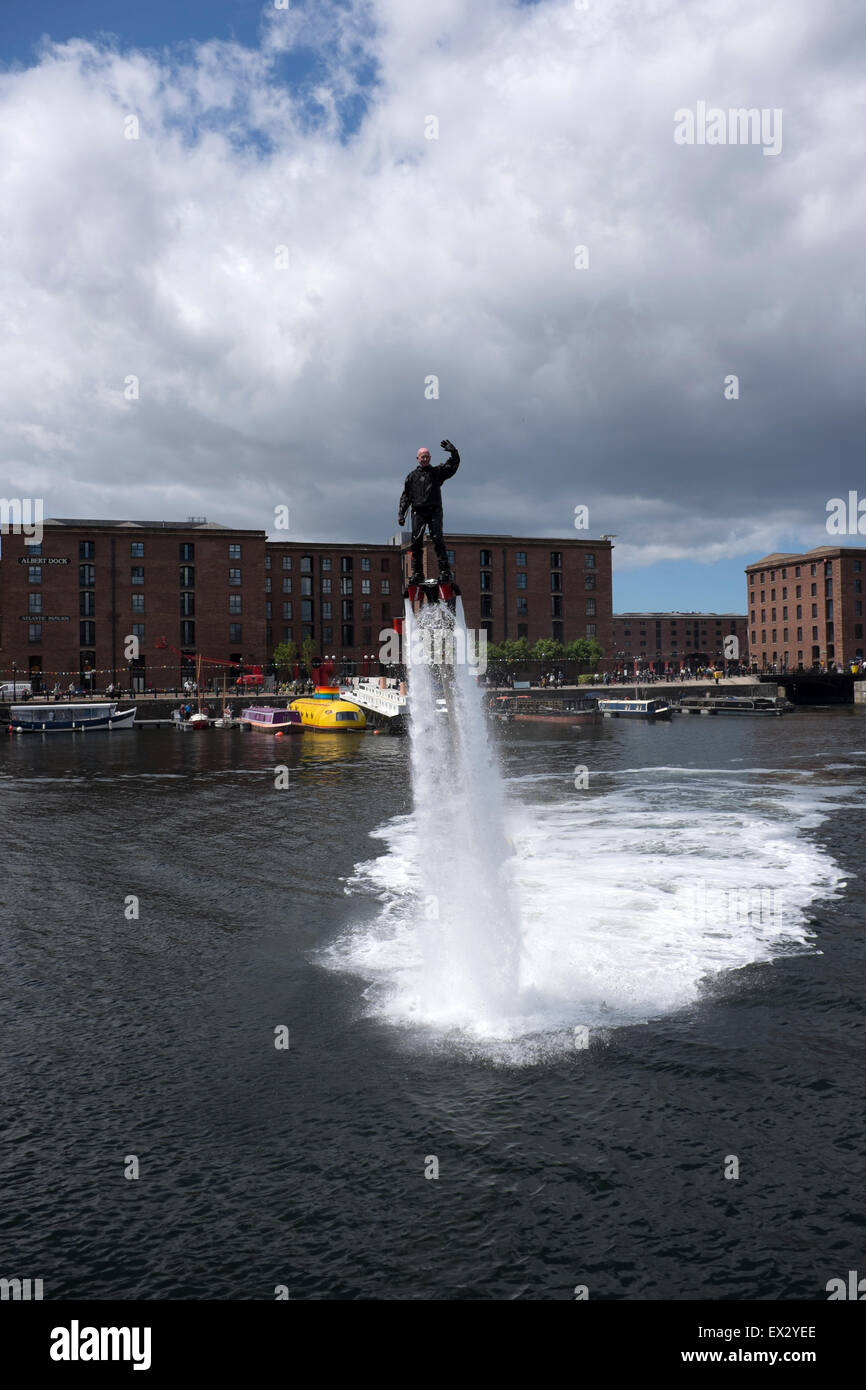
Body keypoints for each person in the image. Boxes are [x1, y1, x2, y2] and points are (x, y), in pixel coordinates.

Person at [398, 439, 460, 584]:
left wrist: (454, 452)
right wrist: (401, 513)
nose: (424, 459)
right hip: (418, 512)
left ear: (430, 458)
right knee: (416, 542)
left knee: (437, 538)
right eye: (422, 456)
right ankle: (418, 572)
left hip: (434, 511)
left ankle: (445, 570)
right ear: (418, 459)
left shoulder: (436, 472)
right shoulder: (411, 476)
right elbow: (406, 496)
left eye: (427, 456)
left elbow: (452, 466)